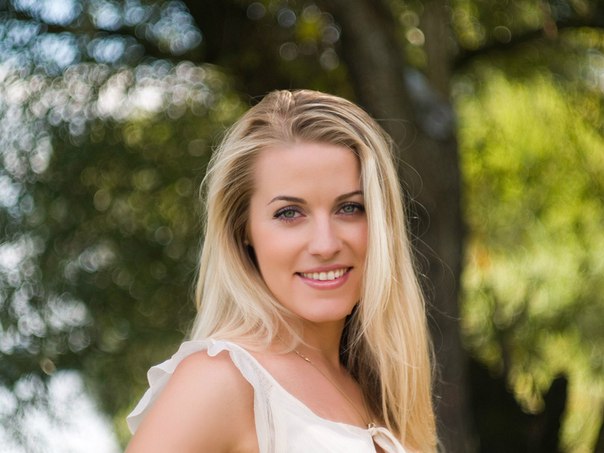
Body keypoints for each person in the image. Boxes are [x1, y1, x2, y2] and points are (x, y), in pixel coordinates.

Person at [125, 89, 437, 452]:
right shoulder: (222, 379)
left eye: (350, 208)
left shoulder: (377, 389)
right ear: (243, 229)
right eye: (289, 213)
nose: (325, 244)